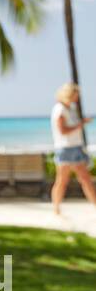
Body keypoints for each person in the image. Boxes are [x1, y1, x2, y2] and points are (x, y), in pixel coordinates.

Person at [51, 83, 96, 216]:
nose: (77, 98)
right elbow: (63, 131)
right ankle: (56, 208)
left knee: (85, 180)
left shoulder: (70, 108)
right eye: (76, 95)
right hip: (65, 149)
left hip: (76, 148)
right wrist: (81, 124)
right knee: (62, 181)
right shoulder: (60, 109)